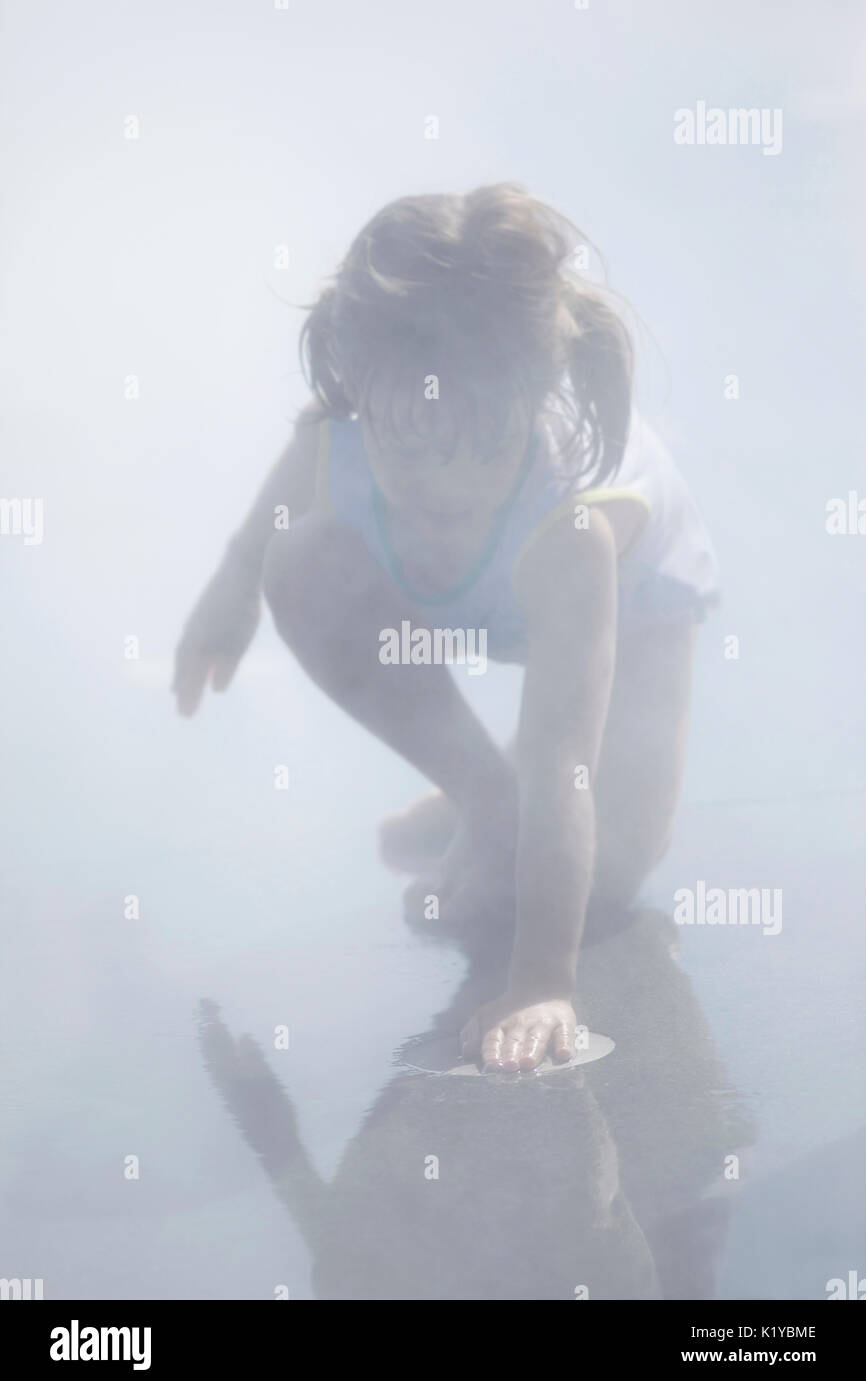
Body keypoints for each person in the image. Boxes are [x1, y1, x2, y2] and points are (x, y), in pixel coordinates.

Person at [173, 183, 718, 1072]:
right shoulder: (349, 428)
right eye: (408, 446)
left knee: (612, 873)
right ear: (358, 394)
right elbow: (282, 504)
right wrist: (229, 596)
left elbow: (567, 761)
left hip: (624, 596)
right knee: (298, 562)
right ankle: (484, 795)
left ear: (530, 402)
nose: (441, 487)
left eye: (474, 447)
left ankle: (509, 805)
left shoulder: (576, 531)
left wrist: (543, 977)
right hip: (466, 591)